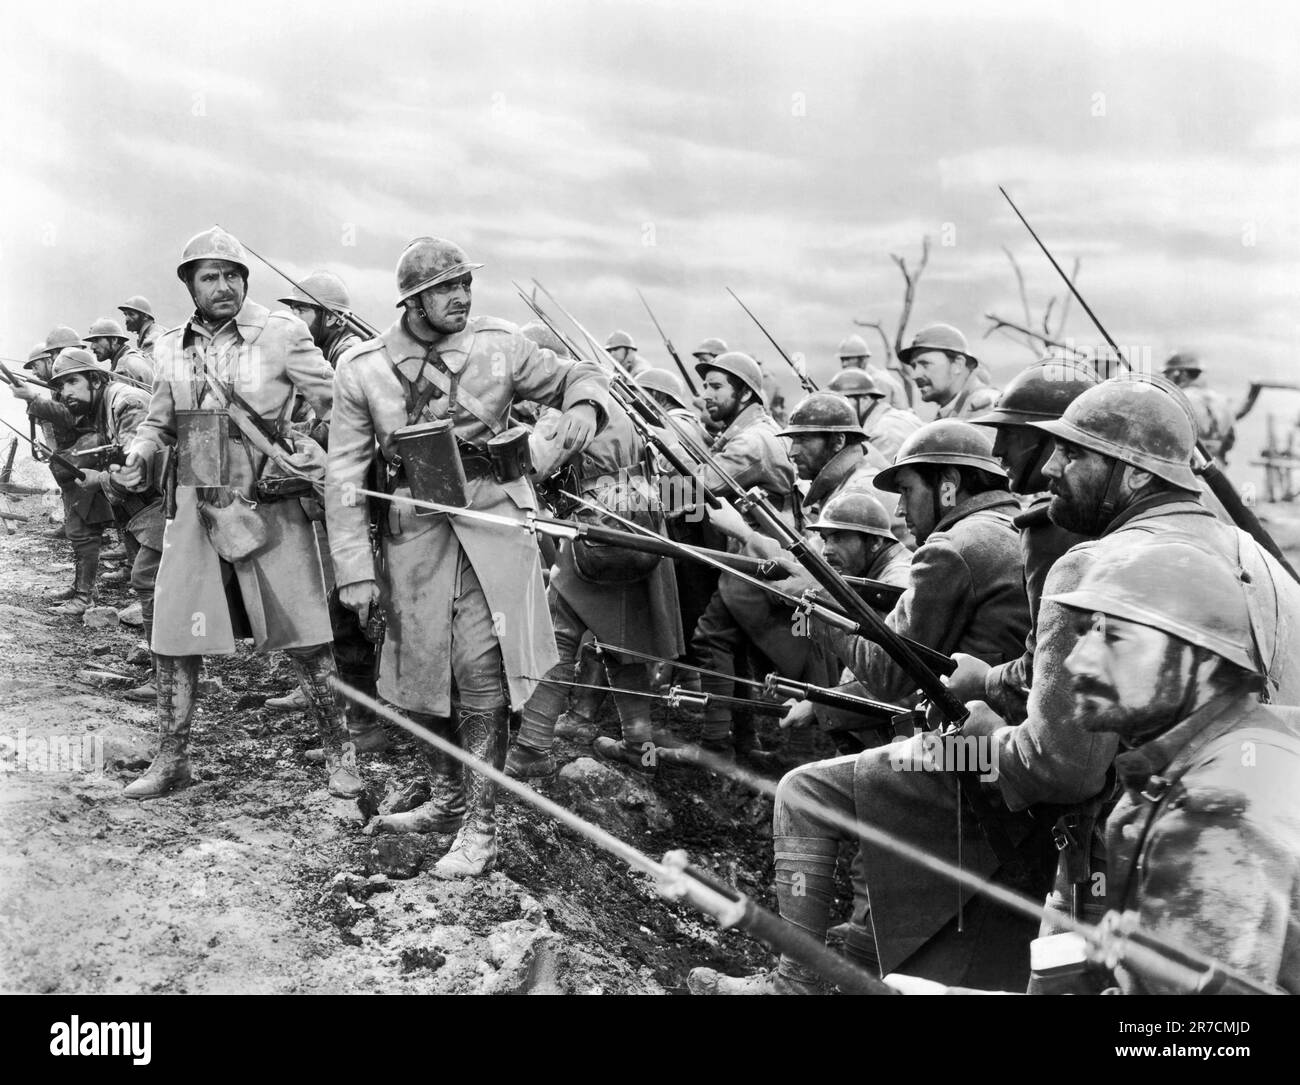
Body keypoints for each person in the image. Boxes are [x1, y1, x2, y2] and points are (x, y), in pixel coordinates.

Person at [689, 420, 1032, 994]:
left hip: (969, 757)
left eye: (909, 490)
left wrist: (821, 608)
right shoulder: (1009, 531)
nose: (900, 510)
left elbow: (892, 674)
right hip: (1002, 747)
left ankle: (792, 982)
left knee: (803, 793)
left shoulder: (954, 547)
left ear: (948, 485)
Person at [325, 235, 608, 877]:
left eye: (465, 285)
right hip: (414, 533)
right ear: (412, 301)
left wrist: (585, 405)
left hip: (493, 522)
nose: (461, 297)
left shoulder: (499, 346)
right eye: (445, 289)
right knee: (423, 674)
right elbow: (343, 476)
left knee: (481, 668)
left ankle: (481, 824)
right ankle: (450, 798)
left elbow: (577, 374)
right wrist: (354, 570)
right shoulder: (364, 370)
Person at [115, 225, 361, 802]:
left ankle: (341, 758)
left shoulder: (283, 334)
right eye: (210, 277)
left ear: (245, 281)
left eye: (232, 275)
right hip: (196, 500)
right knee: (172, 632)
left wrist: (314, 446)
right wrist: (140, 453)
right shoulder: (171, 345)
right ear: (190, 286)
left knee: (307, 633)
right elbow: (158, 421)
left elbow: (341, 406)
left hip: (269, 501)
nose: (223, 285)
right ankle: (171, 760)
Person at [1050, 542, 1300, 994]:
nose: (1076, 660)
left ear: (1201, 660)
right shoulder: (1196, 757)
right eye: (1085, 631)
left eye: (1114, 636)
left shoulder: (1225, 798)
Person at [505, 393, 683, 779]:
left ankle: (532, 747)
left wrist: (512, 436)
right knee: (625, 644)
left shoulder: (563, 414)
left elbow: (533, 467)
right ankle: (640, 749)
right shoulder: (619, 405)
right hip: (642, 529)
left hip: (598, 533)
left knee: (557, 633)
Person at [656, 351, 797, 766]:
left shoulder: (750, 444)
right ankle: (742, 741)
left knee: (712, 637)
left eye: (717, 387)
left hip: (764, 559)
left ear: (746, 393)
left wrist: (635, 490)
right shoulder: (748, 433)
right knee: (728, 645)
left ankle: (718, 744)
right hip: (758, 556)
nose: (706, 396)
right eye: (705, 386)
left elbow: (695, 490)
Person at [897, 324, 999, 420]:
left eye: (925, 364)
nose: (915, 375)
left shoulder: (986, 410)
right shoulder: (951, 411)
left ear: (958, 364)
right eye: (913, 366)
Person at [826, 367, 922, 460]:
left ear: (865, 399)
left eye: (843, 400)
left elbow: (880, 475)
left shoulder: (881, 434)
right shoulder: (897, 415)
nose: (837, 408)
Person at [1162, 351, 1235, 466]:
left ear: (1181, 374)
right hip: (1216, 470)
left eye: (1168, 374)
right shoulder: (1223, 401)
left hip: (1186, 469)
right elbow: (1230, 441)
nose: (1166, 378)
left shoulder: (1177, 399)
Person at [835, 333, 908, 409]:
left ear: (863, 360)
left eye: (848, 359)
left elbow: (878, 415)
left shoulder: (877, 381)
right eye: (842, 359)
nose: (844, 364)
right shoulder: (865, 381)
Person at [85, 317, 156, 388]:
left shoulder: (123, 366)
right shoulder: (136, 355)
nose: (92, 347)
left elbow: (124, 397)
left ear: (114, 340)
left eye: (96, 340)